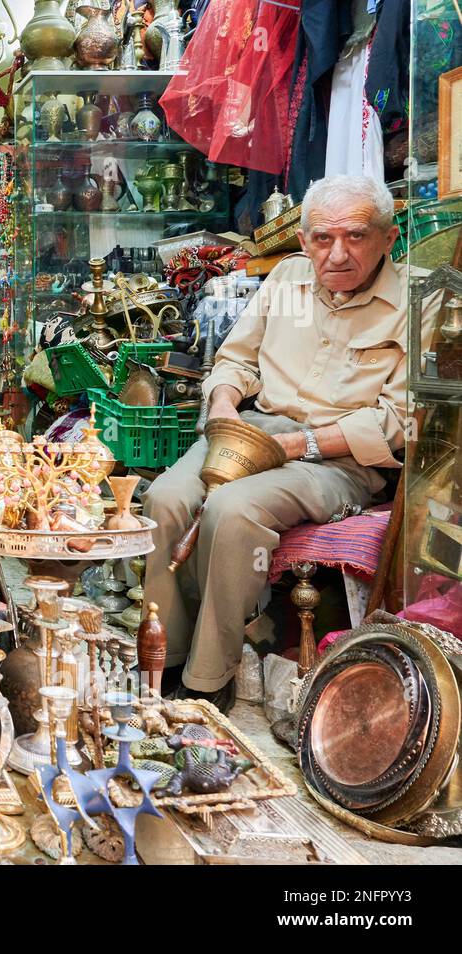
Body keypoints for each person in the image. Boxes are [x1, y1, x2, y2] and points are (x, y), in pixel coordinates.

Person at [141, 174, 437, 712]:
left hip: (338, 460)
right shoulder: (286, 278)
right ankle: (169, 656)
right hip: (254, 428)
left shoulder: (420, 299)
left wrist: (299, 445)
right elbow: (235, 360)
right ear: (303, 242)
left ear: (389, 238)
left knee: (232, 510)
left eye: (356, 236)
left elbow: (400, 420)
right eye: (323, 239)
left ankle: (209, 678)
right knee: (164, 499)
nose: (338, 253)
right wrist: (225, 403)